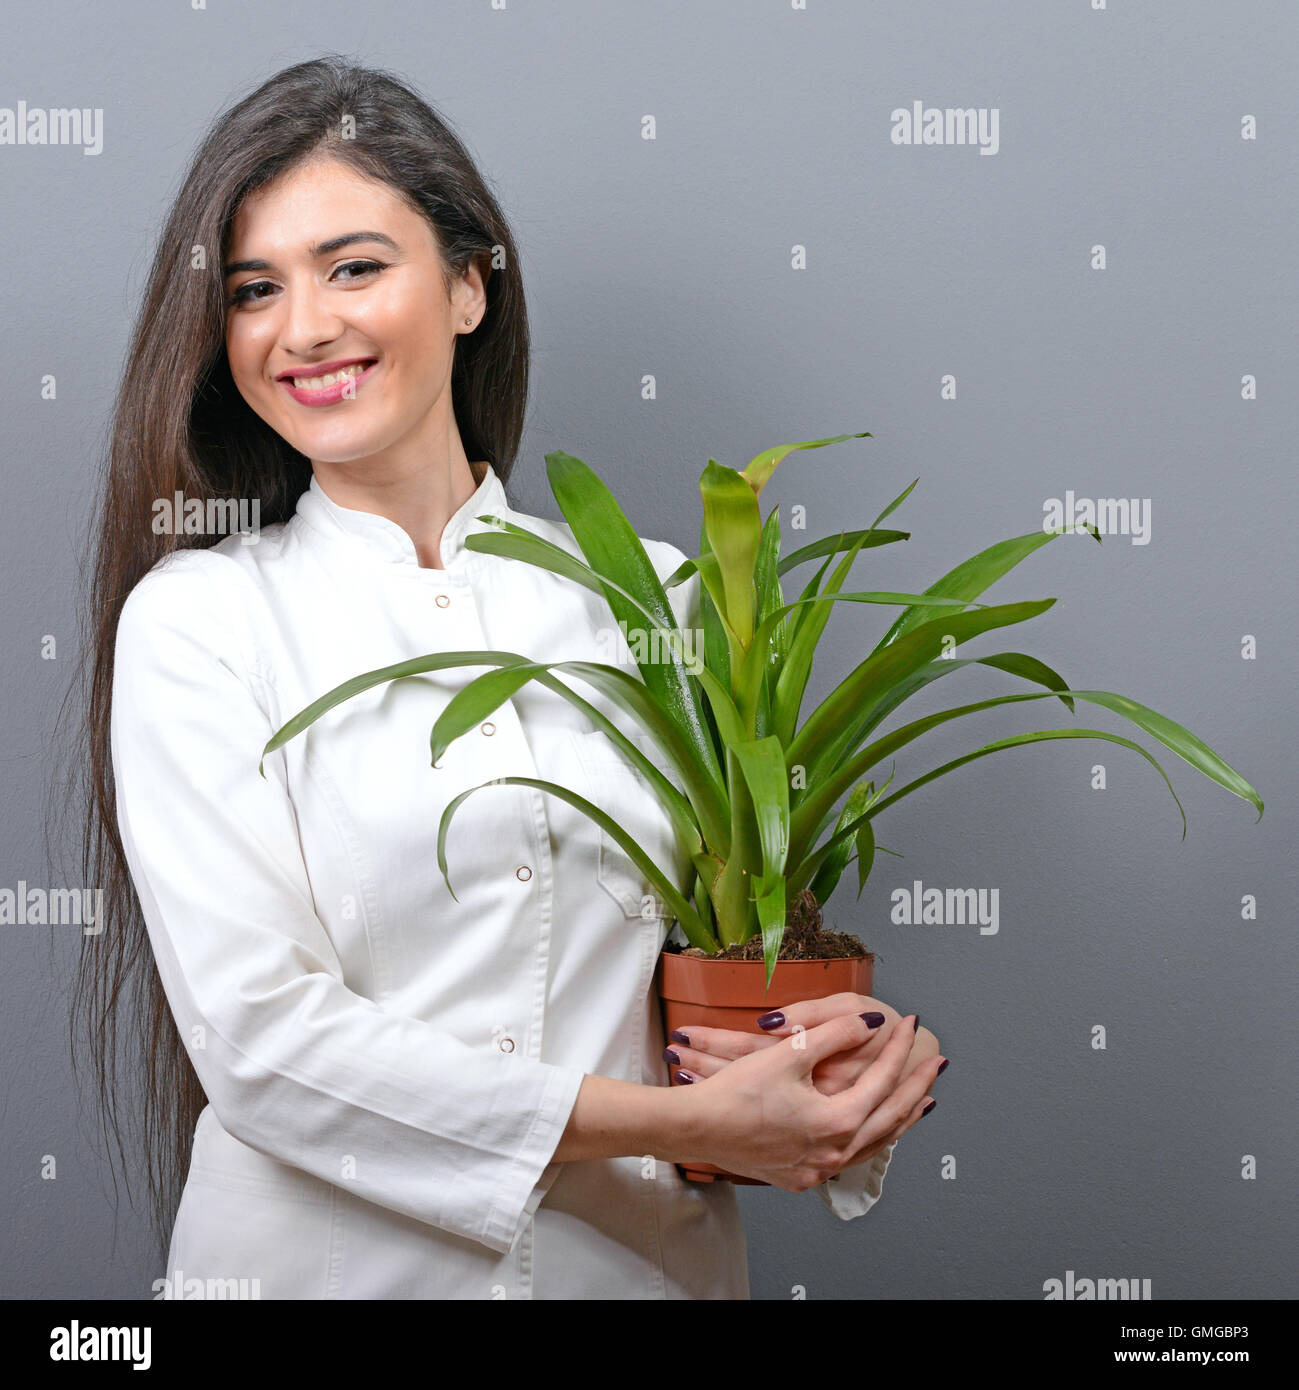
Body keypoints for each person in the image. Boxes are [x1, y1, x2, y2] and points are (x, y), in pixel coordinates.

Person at [73, 55, 946, 1300]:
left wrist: (844, 1060)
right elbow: (264, 1046)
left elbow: (732, 967)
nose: (303, 326)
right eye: (255, 289)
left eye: (356, 266)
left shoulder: (651, 600)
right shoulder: (201, 622)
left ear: (471, 285)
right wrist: (673, 1127)